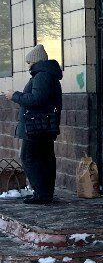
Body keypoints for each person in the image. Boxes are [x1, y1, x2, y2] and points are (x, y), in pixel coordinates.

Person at [2, 45, 62, 204]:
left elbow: (37, 99)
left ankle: (41, 194)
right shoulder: (47, 74)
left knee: (29, 158)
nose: (28, 65)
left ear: (36, 61)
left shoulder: (42, 76)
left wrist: (14, 95)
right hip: (43, 127)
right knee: (44, 158)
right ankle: (44, 193)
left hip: (36, 127)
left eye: (29, 62)